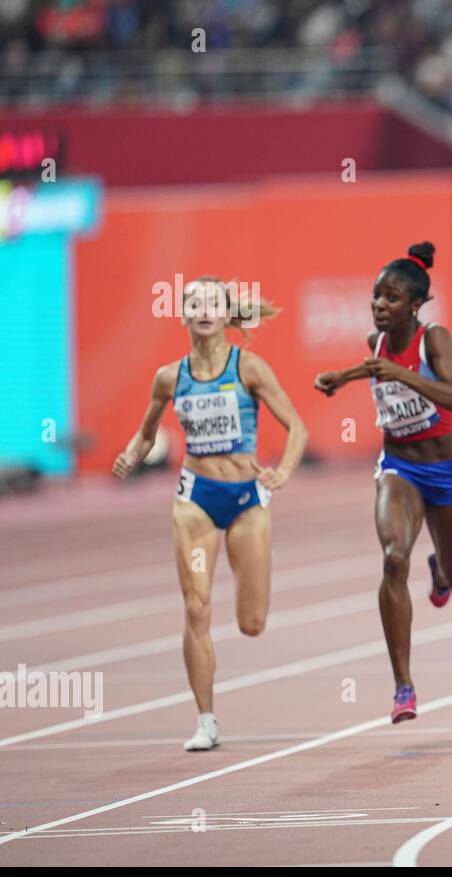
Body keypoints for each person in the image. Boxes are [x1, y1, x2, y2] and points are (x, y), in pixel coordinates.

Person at [113, 276, 307, 751]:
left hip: (245, 501)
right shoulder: (169, 377)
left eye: (212, 303)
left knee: (252, 622)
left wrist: (282, 470)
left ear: (225, 315)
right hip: (195, 500)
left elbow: (297, 426)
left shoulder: (249, 368)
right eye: (194, 302)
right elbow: (146, 432)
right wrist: (131, 454)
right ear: (183, 315)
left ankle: (253, 580)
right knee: (197, 606)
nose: (203, 309)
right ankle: (206, 719)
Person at [313, 242, 452, 724]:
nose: (380, 306)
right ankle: (404, 686)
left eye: (391, 298)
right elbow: (377, 367)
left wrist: (405, 376)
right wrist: (343, 376)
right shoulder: (375, 343)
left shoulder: (434, 340)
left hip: (444, 470)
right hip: (399, 466)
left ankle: (441, 573)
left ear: (416, 304)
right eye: (376, 297)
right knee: (392, 557)